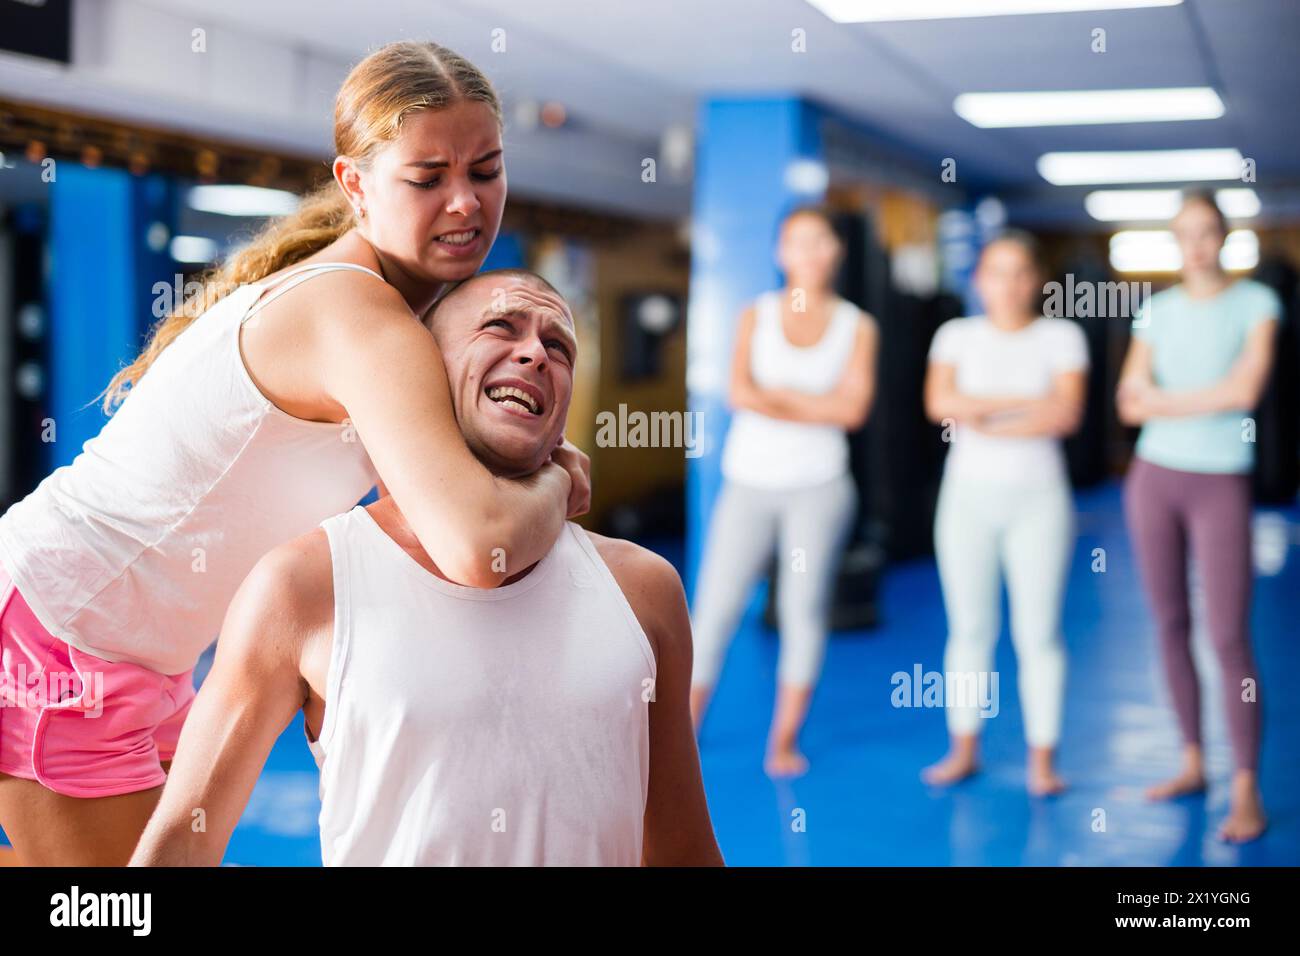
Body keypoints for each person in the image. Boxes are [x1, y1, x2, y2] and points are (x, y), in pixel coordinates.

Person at [0, 41, 590, 866]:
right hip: (60, 627)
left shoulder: (394, 318)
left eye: (486, 170)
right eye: (428, 178)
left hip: (146, 647)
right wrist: (562, 478)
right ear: (355, 184)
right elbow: (477, 544)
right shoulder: (355, 312)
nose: (466, 203)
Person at [130, 271, 723, 866]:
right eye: (501, 326)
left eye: (559, 347)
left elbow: (683, 848)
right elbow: (185, 838)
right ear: (425, 372)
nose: (535, 354)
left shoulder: (643, 588)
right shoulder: (306, 584)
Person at [689, 205, 877, 777]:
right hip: (749, 483)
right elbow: (739, 393)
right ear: (781, 252)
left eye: (821, 241)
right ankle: (682, 736)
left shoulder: (856, 325)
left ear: (835, 251)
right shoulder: (757, 314)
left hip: (819, 488)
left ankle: (784, 742)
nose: (810, 252)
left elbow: (853, 410)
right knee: (715, 608)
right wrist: (813, 406)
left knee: (803, 609)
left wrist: (779, 398)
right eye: (798, 242)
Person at [1117, 190, 1280, 843]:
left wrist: (1163, 398)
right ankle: (1191, 760)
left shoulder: (1257, 304)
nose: (1198, 244)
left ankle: (1245, 786)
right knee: (1168, 623)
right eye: (1186, 233)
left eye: (1208, 231)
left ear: (1224, 237)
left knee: (1227, 635)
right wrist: (1189, 400)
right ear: (1175, 241)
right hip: (1153, 479)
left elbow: (1245, 392)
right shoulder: (1155, 311)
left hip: (1219, 482)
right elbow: (1129, 407)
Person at [921, 231, 1088, 796]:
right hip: (967, 499)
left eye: (1020, 272)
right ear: (979, 280)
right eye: (997, 272)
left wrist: (981, 409)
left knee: (1038, 633)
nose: (1009, 284)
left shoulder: (1061, 336)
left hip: (1038, 500)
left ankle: (1044, 761)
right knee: (969, 628)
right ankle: (964, 748)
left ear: (1036, 280)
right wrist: (1023, 403)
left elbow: (1065, 415)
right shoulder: (956, 335)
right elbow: (940, 404)